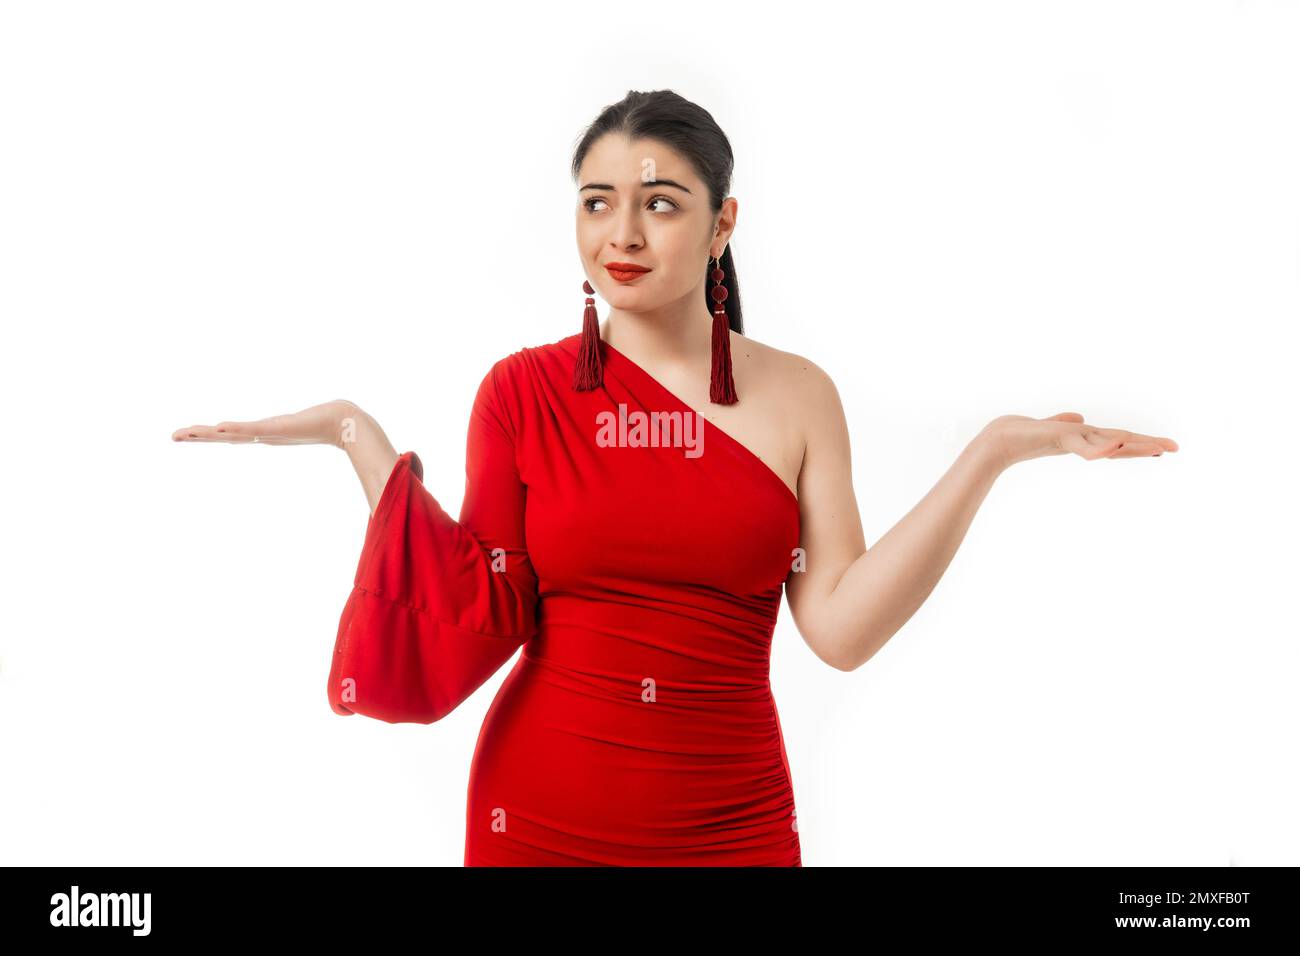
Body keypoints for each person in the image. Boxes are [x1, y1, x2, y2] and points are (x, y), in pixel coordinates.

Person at [171, 89, 1178, 866]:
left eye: (660, 204)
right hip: (537, 814)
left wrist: (992, 451)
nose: (624, 234)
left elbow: (837, 627)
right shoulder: (519, 393)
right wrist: (362, 440)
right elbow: (479, 603)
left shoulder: (797, 396)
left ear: (722, 221)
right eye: (598, 202)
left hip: (731, 818)